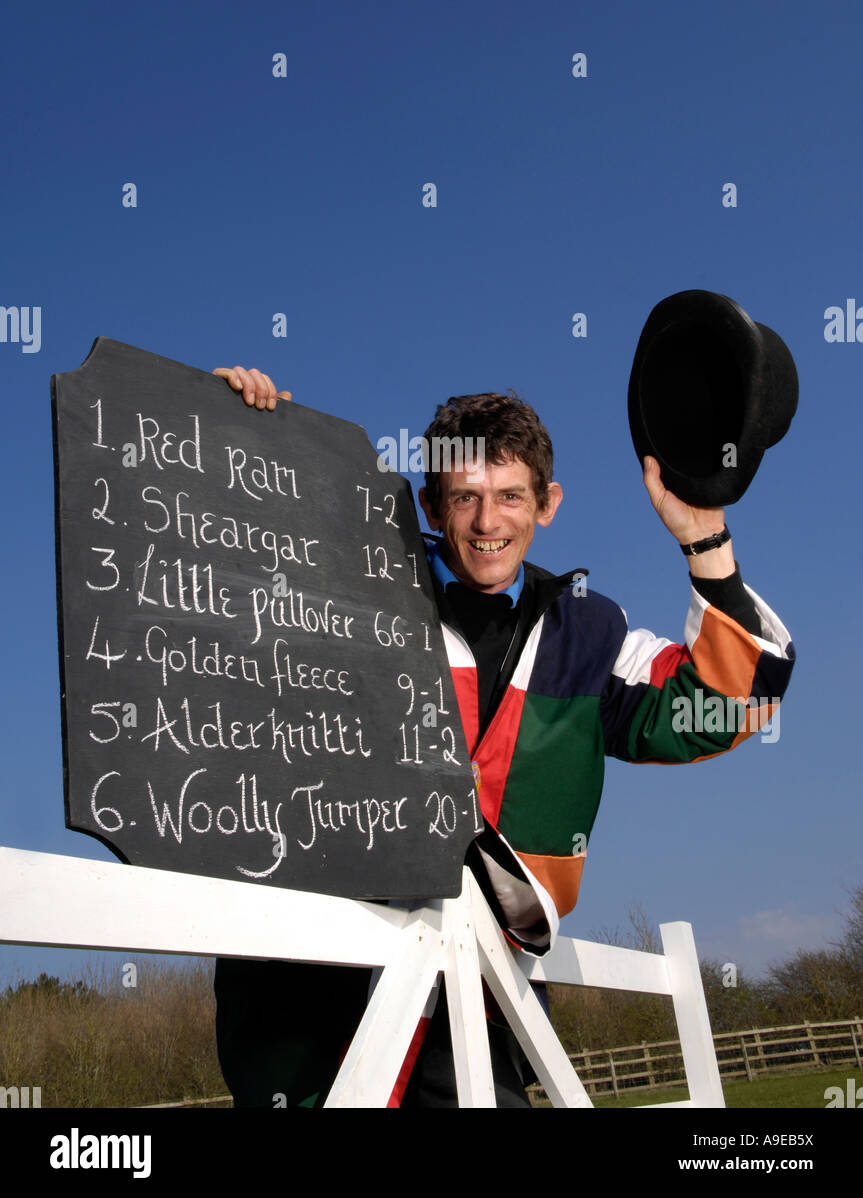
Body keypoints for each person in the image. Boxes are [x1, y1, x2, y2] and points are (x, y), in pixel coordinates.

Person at [210, 365, 795, 1108]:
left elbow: (722, 707)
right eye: (465, 498)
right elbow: (221, 603)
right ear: (430, 503)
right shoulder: (350, 583)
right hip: (309, 987)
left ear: (546, 504)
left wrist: (702, 535)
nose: (488, 523)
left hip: (481, 994)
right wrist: (250, 451)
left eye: (510, 496)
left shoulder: (587, 632)